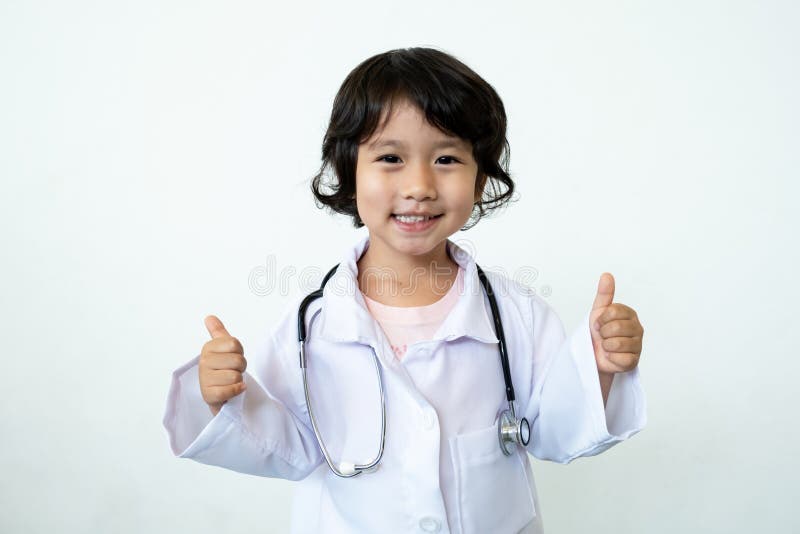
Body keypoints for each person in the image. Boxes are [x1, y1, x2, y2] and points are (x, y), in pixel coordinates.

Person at [162, 46, 647, 533]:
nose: (419, 185)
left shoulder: (517, 316)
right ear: (350, 172)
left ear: (480, 180)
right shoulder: (310, 324)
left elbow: (553, 433)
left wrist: (599, 368)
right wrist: (221, 396)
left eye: (447, 158)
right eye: (390, 157)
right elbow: (285, 447)